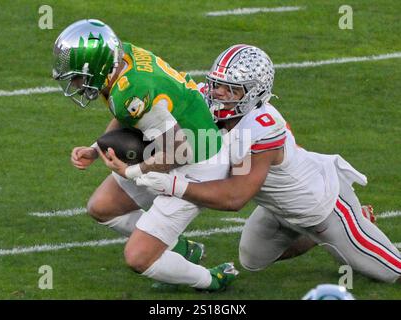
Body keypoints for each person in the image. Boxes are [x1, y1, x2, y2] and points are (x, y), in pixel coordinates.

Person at [136, 44, 401, 284]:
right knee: (252, 260)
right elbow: (161, 94)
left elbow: (235, 198)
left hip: (325, 208)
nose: (219, 94)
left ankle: (351, 224)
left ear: (255, 94)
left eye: (231, 89)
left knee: (393, 273)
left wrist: (173, 184)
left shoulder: (263, 128)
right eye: (217, 84)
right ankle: (316, 239)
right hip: (276, 209)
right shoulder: (207, 99)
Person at [52, 19, 238, 291]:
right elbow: (126, 114)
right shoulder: (121, 58)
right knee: (102, 208)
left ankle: (210, 280)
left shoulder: (131, 91)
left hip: (198, 162)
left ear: (99, 66)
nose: (78, 83)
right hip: (172, 143)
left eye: (79, 75)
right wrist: (96, 148)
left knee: (138, 257)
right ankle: (183, 249)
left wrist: (131, 172)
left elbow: (180, 150)